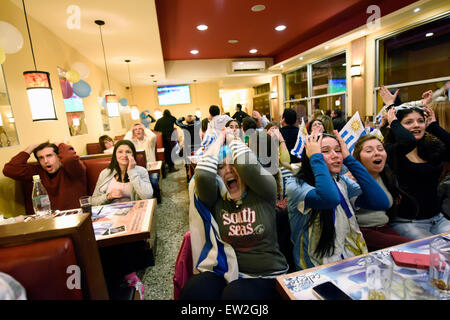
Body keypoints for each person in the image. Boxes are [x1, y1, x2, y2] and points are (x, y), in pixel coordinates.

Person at [180, 128, 288, 300]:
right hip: (228, 271)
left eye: (233, 164)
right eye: (221, 167)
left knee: (235, 295)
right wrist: (218, 139)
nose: (228, 171)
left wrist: (231, 137)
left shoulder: (264, 190)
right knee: (195, 289)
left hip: (267, 275)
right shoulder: (216, 198)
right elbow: (202, 174)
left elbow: (246, 164)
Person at [286, 131, 390, 270]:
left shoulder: (342, 181)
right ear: (310, 155)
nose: (335, 155)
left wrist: (349, 159)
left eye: (338, 150)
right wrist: (316, 159)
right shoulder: (296, 185)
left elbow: (380, 201)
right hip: (314, 266)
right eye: (325, 151)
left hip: (349, 257)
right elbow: (330, 199)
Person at [382, 104, 450, 239]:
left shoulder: (430, 148)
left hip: (438, 219)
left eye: (420, 121)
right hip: (408, 222)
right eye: (408, 122)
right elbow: (408, 142)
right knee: (432, 251)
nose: (416, 125)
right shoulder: (390, 151)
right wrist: (394, 123)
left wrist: (433, 126)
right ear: (396, 126)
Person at [352, 134, 412, 251]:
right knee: (409, 246)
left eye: (380, 149)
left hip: (384, 227)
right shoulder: (352, 180)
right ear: (358, 158)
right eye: (369, 150)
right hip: (362, 231)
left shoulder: (387, 176)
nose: (377, 153)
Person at [3, 142, 87, 213]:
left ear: (59, 156)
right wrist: (30, 148)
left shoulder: (73, 169)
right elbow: (9, 170)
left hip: (74, 218)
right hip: (44, 220)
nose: (46, 161)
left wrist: (60, 144)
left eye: (49, 155)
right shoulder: (36, 171)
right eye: (41, 158)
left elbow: (69, 159)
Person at [91, 140, 153, 206]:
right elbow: (93, 201)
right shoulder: (105, 173)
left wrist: (131, 171)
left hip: (134, 211)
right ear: (115, 154)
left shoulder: (142, 171)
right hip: (110, 213)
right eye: (120, 152)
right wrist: (108, 196)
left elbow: (147, 196)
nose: (124, 155)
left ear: (133, 155)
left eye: (128, 152)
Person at [124, 123, 161, 203]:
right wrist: (130, 130)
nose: (138, 131)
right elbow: (125, 142)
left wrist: (145, 128)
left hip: (150, 169)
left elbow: (153, 136)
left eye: (140, 129)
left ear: (143, 131)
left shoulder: (149, 141)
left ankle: (157, 198)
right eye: (135, 129)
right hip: (137, 170)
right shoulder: (132, 143)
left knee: (154, 180)